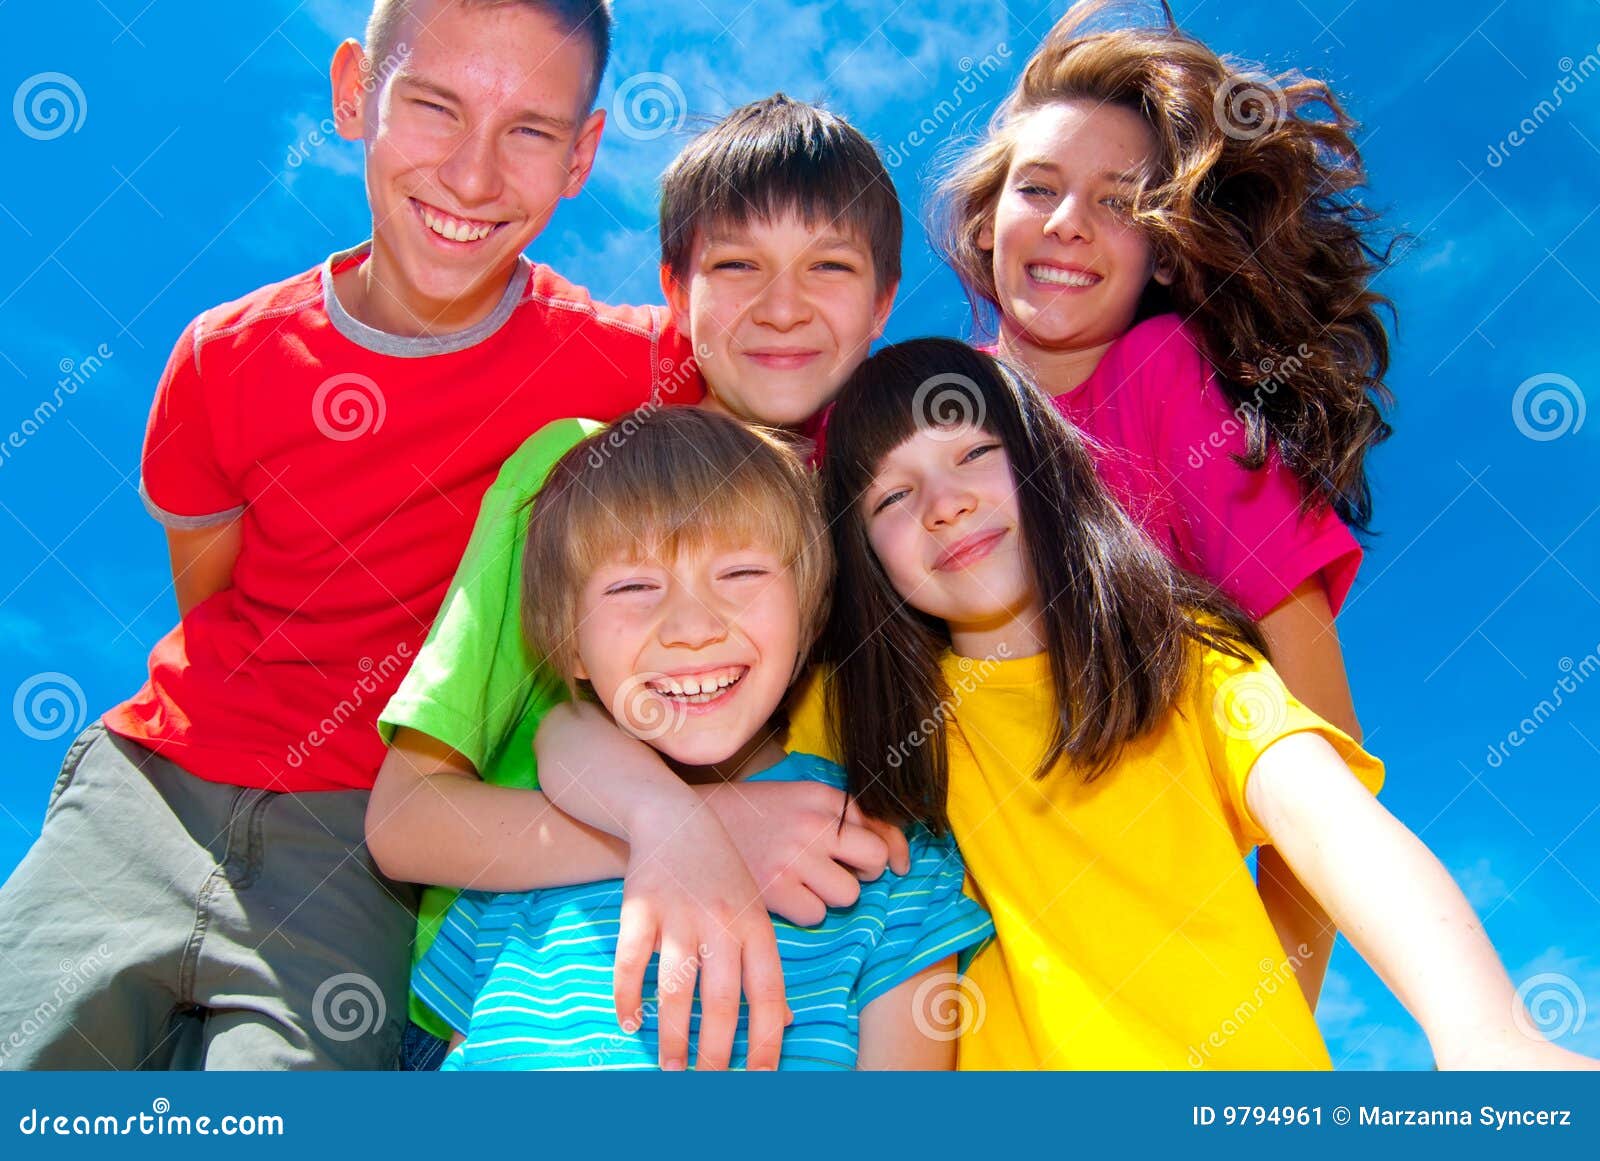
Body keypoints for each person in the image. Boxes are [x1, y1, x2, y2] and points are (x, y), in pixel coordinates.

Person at [0, 0, 695, 1070]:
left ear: (581, 154)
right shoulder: (223, 360)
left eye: (529, 131)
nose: (471, 177)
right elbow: (213, 602)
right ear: (352, 93)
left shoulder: (631, 369)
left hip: (367, 848)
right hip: (149, 794)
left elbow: (809, 363)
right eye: (433, 106)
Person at [795, 338, 1594, 1069]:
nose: (945, 502)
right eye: (891, 498)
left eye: (974, 451)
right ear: (863, 554)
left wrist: (1485, 1029)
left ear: (1049, 462)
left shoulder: (1179, 654)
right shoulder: (858, 710)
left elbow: (1333, 824)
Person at [368, 94, 905, 1068]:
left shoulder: (893, 530)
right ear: (674, 287)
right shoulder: (576, 477)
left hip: (809, 1015)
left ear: (882, 300)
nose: (781, 306)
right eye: (736, 265)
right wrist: (690, 829)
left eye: (828, 266)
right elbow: (408, 819)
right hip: (518, 1005)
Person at [929, 0, 1397, 1002]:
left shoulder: (1160, 377)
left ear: (1165, 250)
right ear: (984, 217)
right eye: (1038, 188)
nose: (1065, 222)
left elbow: (1320, 736)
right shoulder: (913, 416)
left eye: (1117, 203)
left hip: (1134, 970)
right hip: (920, 970)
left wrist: (1271, 1023)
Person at [410, 408, 992, 1070]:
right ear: (568, 640)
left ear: (807, 608)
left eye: (740, 574)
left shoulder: (884, 854)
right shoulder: (523, 862)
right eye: (633, 586)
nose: (691, 625)